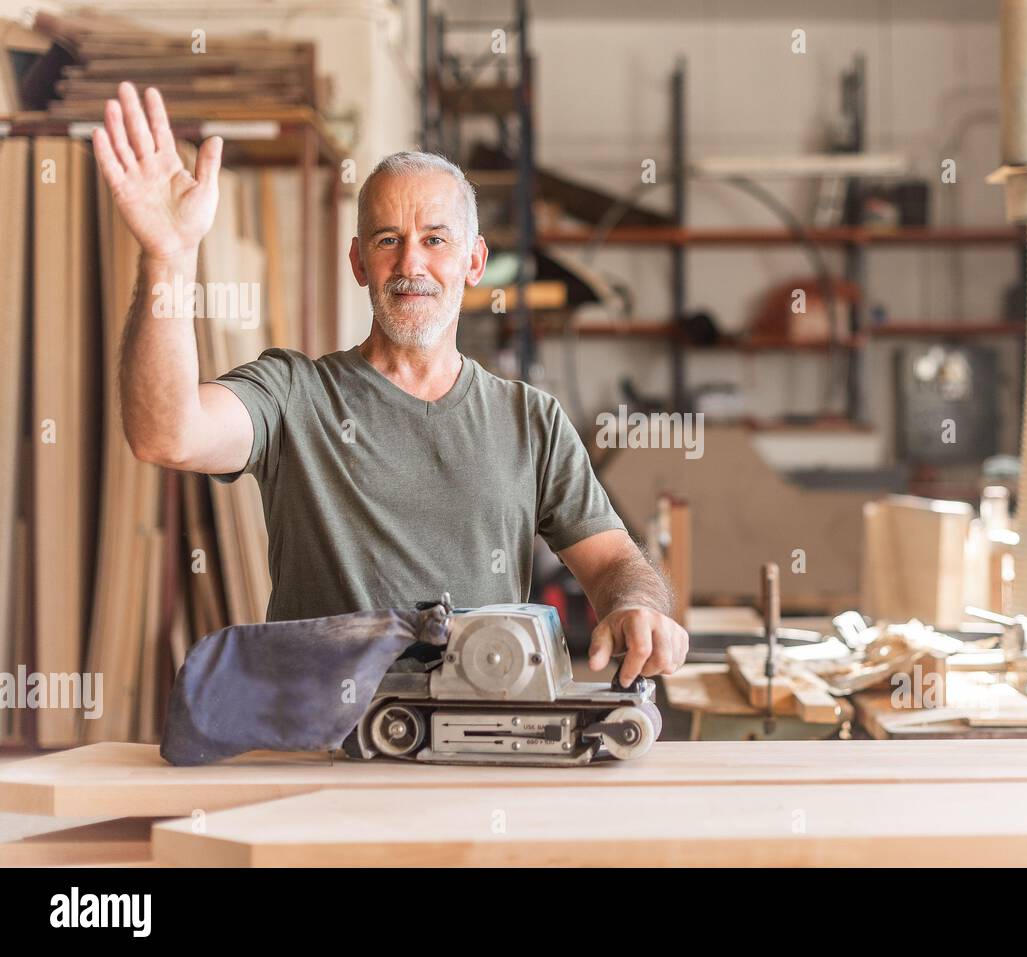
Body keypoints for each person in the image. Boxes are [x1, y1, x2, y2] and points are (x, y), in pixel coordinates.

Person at [91, 81, 688, 685]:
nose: (410, 264)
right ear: (359, 263)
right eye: (387, 241)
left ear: (473, 263)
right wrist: (168, 258)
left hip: (481, 739)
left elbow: (613, 559)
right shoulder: (294, 396)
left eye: (434, 240)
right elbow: (166, 434)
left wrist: (636, 603)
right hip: (320, 746)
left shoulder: (530, 419)